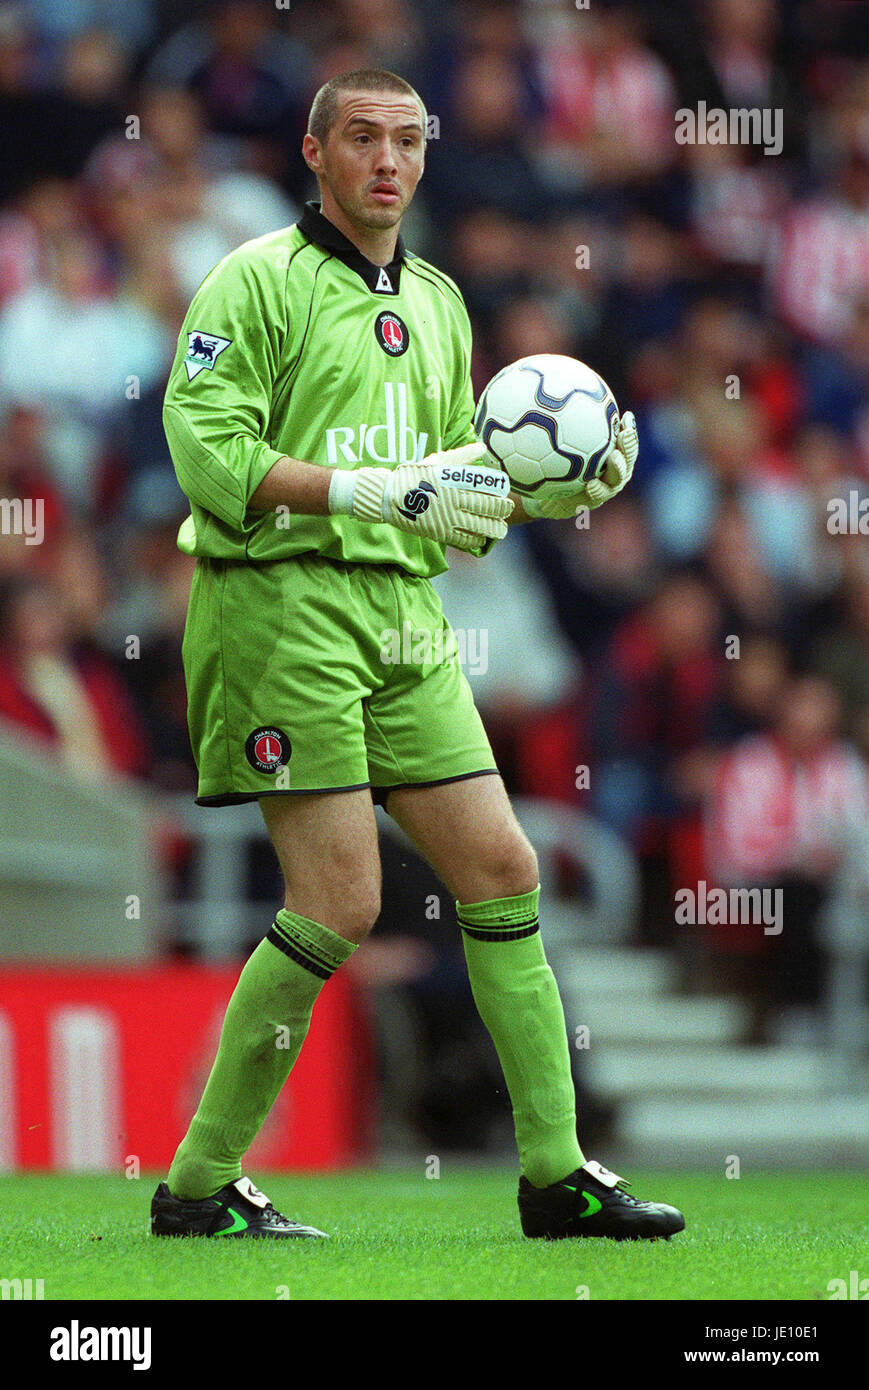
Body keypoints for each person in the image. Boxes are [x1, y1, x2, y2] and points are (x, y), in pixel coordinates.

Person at [151, 67, 684, 1242]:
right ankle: (195, 1183)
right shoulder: (254, 282)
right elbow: (209, 456)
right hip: (280, 606)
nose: (385, 159)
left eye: (405, 139)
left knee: (501, 868)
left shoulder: (440, 301)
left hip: (405, 619)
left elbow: (456, 487)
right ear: (314, 151)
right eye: (360, 138)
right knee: (339, 900)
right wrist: (365, 489)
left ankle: (553, 1174)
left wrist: (563, 483)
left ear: (426, 157)